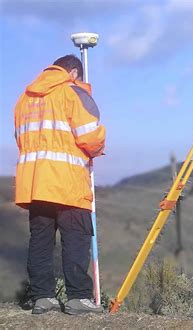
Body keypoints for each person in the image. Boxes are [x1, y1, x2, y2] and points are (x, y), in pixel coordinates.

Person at [14, 55, 106, 315]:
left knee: (41, 240)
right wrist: (100, 143)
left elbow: (21, 138)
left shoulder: (24, 99)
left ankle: (42, 297)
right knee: (75, 238)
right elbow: (90, 137)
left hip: (34, 182)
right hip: (67, 182)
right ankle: (78, 298)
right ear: (74, 72)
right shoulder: (71, 93)